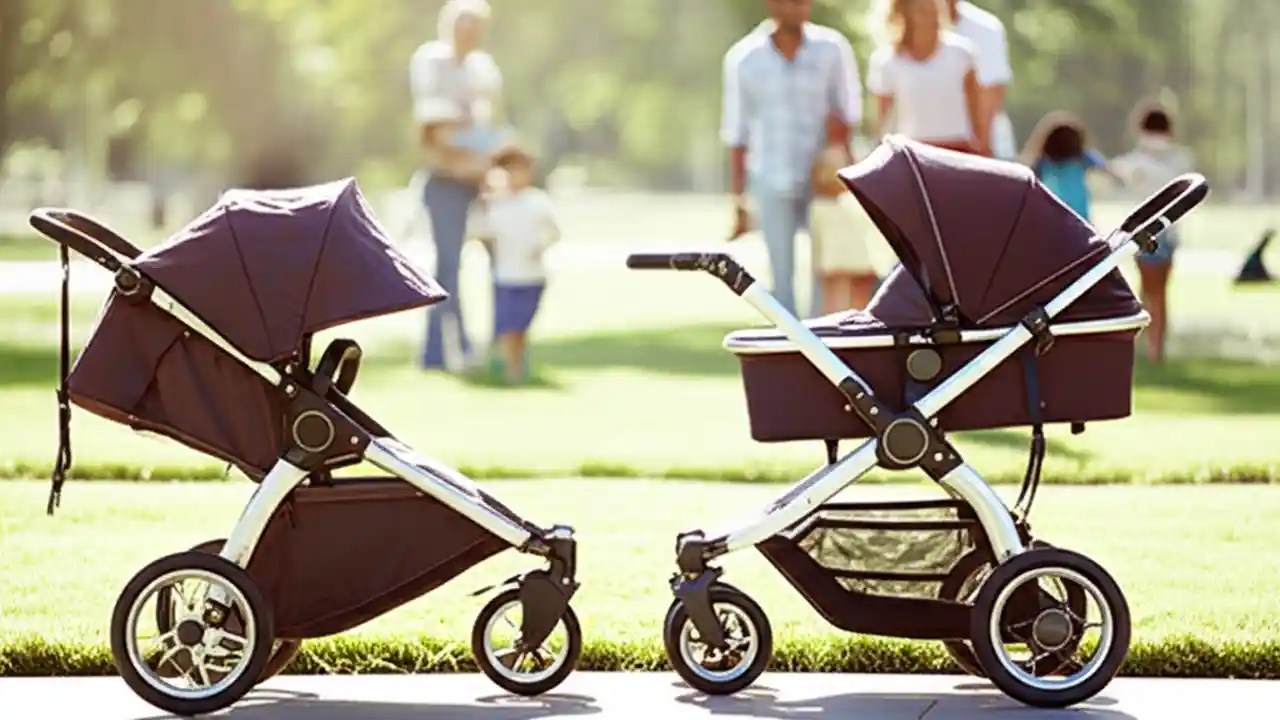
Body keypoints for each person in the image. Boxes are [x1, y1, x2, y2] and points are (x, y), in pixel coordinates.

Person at [722, 0, 863, 317]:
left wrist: (837, 156)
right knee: (780, 272)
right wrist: (738, 197)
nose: (799, 7)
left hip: (822, 179)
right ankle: (789, 347)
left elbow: (847, 111)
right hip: (771, 175)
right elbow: (737, 132)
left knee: (823, 270)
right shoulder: (745, 58)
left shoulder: (832, 49)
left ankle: (821, 342)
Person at [409, 0, 503, 372]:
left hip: (480, 181)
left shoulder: (483, 68)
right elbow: (434, 128)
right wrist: (469, 139)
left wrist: (479, 154)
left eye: (475, 28)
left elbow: (488, 124)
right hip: (445, 180)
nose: (469, 35)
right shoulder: (430, 61)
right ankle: (443, 352)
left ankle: (492, 350)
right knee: (447, 266)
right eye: (462, 27)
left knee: (499, 263)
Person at [1110, 101, 1195, 364]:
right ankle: (1156, 348)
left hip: (1145, 234)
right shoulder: (1179, 159)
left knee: (1147, 292)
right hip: (1170, 234)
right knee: (1160, 293)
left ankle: (1149, 347)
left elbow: (1120, 173)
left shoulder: (1140, 160)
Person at [471, 145, 559, 385]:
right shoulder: (496, 205)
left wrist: (538, 247)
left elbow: (553, 232)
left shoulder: (537, 201)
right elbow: (481, 233)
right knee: (509, 327)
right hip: (506, 276)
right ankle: (511, 370)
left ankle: (513, 365)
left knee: (520, 327)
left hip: (532, 276)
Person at [867, 0, 988, 156]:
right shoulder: (887, 61)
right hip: (912, 153)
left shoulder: (962, 53)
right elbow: (881, 118)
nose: (927, 8)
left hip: (959, 152)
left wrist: (983, 148)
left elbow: (977, 109)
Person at [809, 140, 879, 313]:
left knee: (850, 301)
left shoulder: (849, 203)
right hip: (838, 264)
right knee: (841, 301)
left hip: (851, 264)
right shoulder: (821, 207)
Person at [1018, 110, 1122, 223]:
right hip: (1080, 215)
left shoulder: (1042, 162)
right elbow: (1107, 169)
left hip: (1052, 214)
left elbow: (1024, 178)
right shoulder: (1083, 158)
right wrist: (1121, 181)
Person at [947, 0, 1016, 160]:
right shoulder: (893, 23)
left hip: (976, 149)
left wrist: (981, 148)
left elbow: (992, 91)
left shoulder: (985, 28)